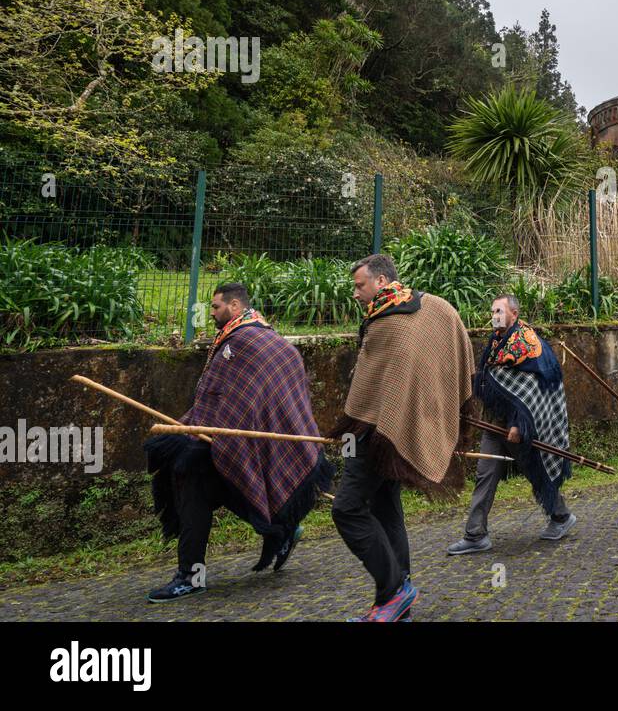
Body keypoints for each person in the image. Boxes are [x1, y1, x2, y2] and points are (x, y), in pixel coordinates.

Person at [143, 283, 333, 603]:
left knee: (195, 481)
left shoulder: (243, 340)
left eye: (215, 307)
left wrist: (204, 425)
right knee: (219, 485)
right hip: (226, 434)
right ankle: (280, 529)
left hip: (231, 435)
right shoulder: (263, 334)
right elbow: (219, 394)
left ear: (234, 305)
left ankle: (191, 576)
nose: (211, 313)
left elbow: (235, 396)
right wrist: (197, 422)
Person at [331, 254, 473, 621]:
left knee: (346, 509)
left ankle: (395, 591)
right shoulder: (433, 307)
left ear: (381, 281)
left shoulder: (389, 319)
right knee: (385, 508)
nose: (356, 293)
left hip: (375, 432)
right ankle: (397, 606)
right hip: (390, 430)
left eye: (360, 286)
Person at [448, 294, 577, 554]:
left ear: (514, 314)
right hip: (495, 422)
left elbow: (534, 390)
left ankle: (561, 516)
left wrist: (520, 425)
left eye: (499, 311)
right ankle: (475, 535)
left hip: (524, 425)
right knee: (485, 473)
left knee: (535, 469)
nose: (494, 315)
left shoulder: (529, 344)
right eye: (493, 310)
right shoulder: (497, 341)